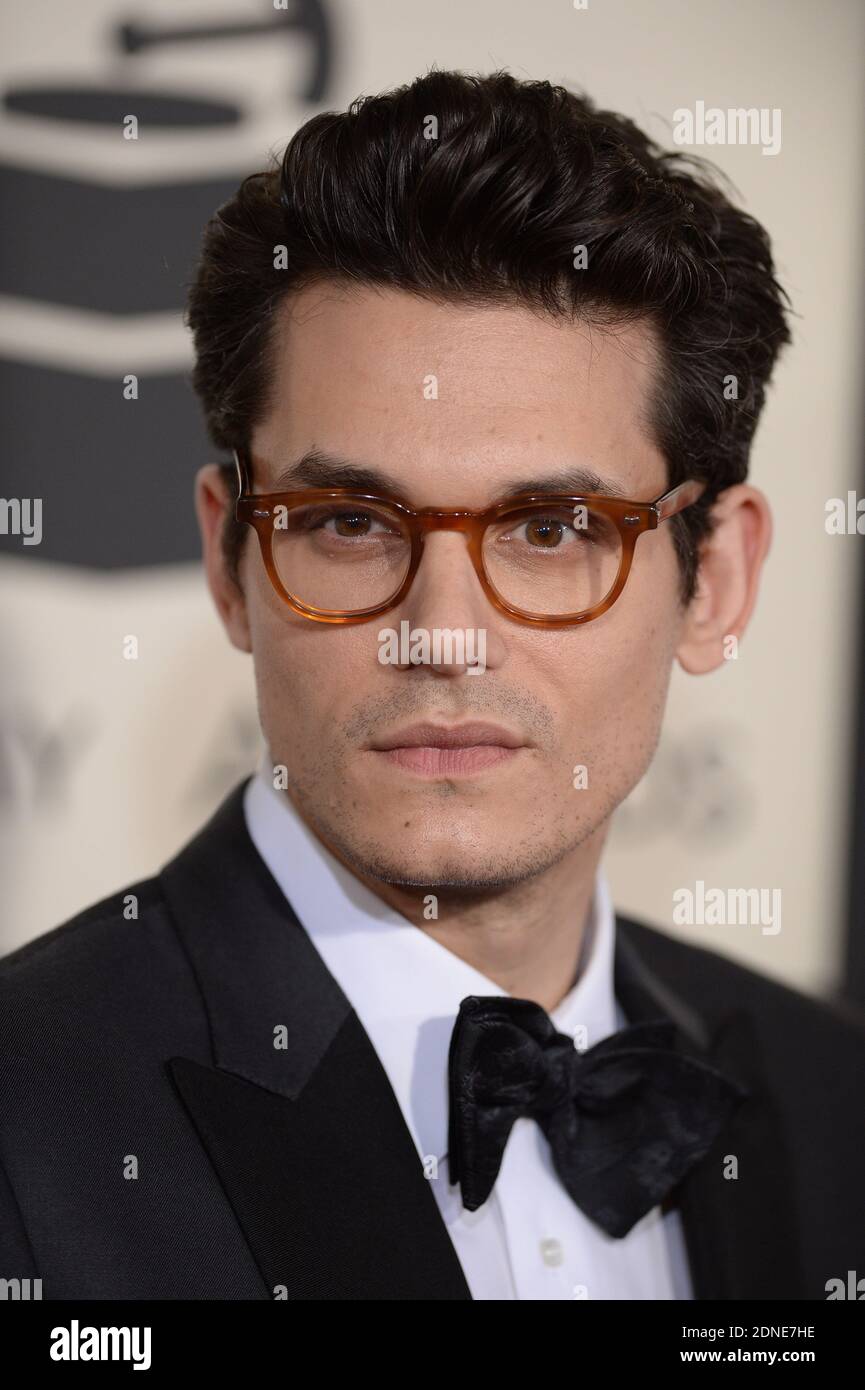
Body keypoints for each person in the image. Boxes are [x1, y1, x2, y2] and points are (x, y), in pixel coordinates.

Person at [2, 68, 863, 1302]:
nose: (442, 636)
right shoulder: (28, 1113)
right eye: (350, 522)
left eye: (552, 529)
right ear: (230, 560)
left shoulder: (831, 1095)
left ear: (714, 579)